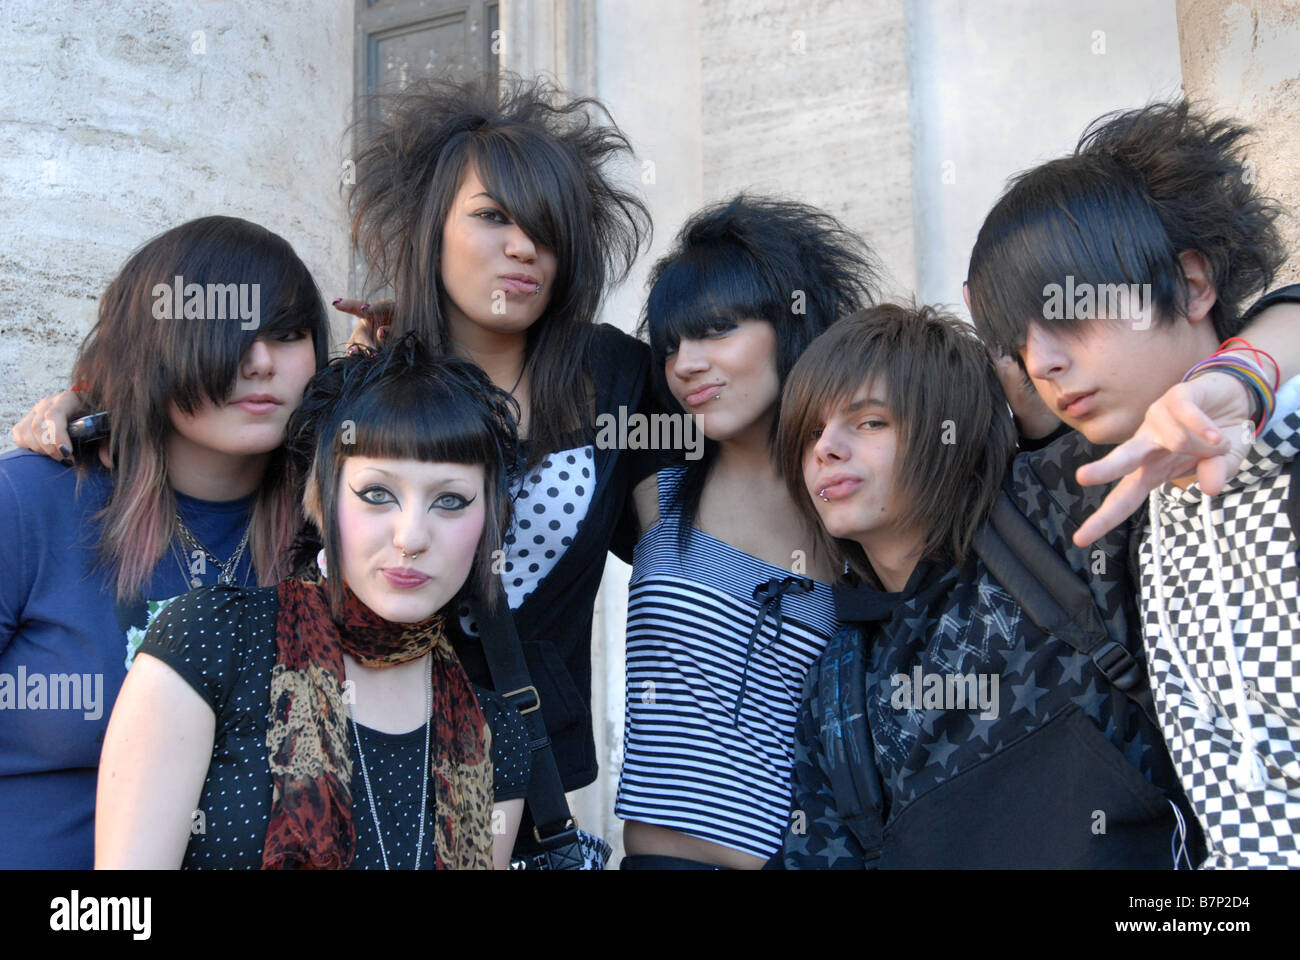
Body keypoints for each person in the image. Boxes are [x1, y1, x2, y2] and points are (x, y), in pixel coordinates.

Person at [20, 75, 659, 844]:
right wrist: (92, 407)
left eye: (547, 228)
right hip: (335, 755)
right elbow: (211, 395)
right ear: (430, 228)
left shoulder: (614, 376)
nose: (523, 246)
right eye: (492, 217)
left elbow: (685, 539)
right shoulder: (367, 379)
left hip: (519, 758)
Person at [966, 100, 1300, 867]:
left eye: (1069, 311)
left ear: (1189, 286)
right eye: (1018, 339)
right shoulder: (1131, 513)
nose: (1042, 361)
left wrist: (1245, 372)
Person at [776, 303, 1202, 868]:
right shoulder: (835, 683)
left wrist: (1045, 424)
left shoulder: (1057, 518)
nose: (825, 447)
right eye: (811, 432)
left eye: (870, 421)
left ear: (946, 433)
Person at [95, 336, 528, 869]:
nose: (411, 536)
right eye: (376, 494)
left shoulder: (495, 732)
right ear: (320, 501)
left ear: (491, 522)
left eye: (451, 500)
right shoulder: (213, 640)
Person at [0, 215, 330, 868]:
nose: (262, 362)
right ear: (150, 345)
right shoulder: (30, 503)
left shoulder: (333, 528)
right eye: (227, 335)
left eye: (289, 334)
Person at [616, 195, 880, 869]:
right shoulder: (659, 488)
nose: (686, 365)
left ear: (790, 326)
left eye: (716, 331)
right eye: (671, 346)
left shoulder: (855, 512)